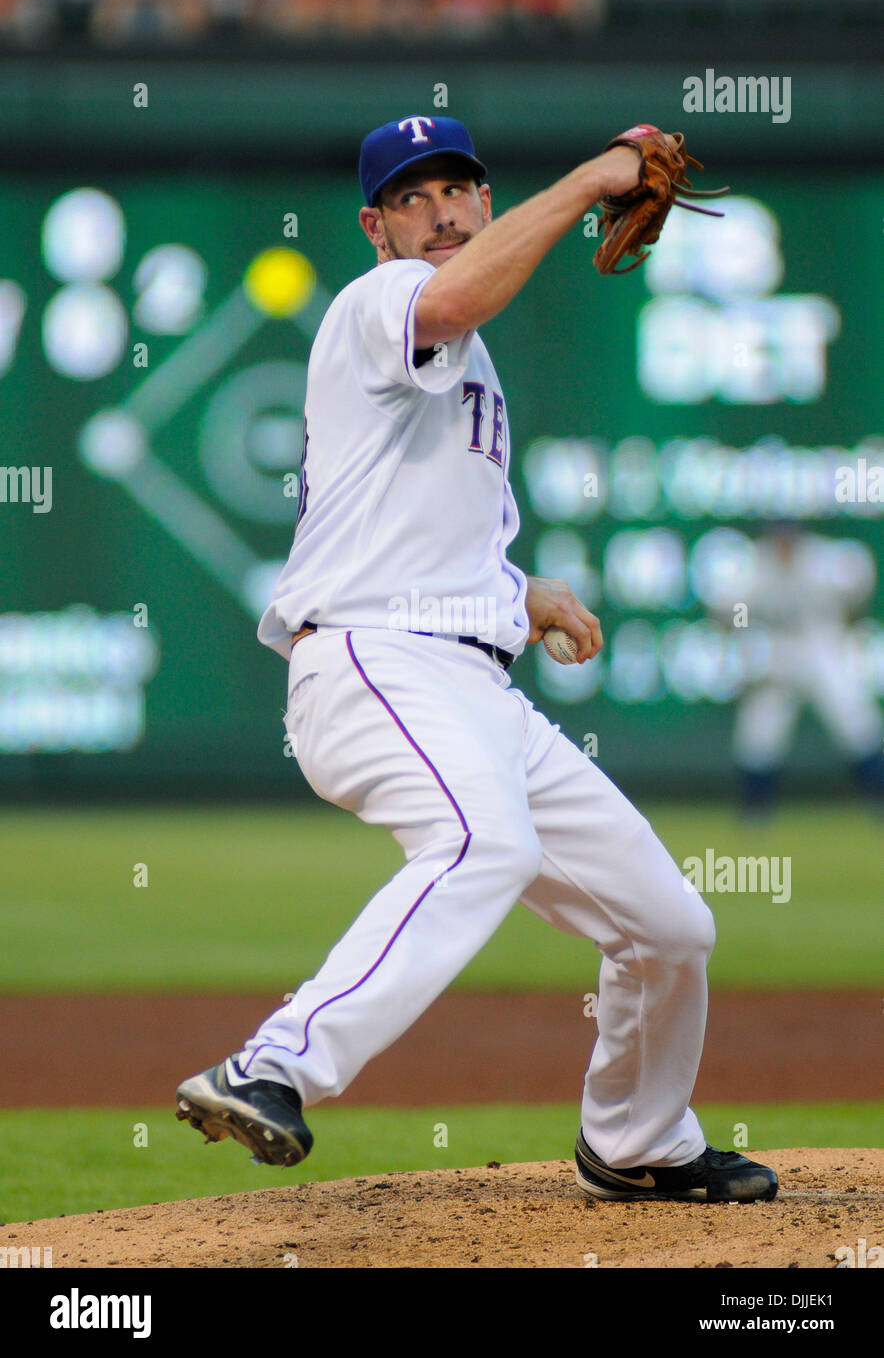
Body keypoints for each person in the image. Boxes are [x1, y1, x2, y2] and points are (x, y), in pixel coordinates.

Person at [176, 115, 778, 1204]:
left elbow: (418, 527)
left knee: (668, 926)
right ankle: (272, 1065)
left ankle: (637, 1141)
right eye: (413, 196)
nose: (441, 210)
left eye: (459, 187)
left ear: (484, 202)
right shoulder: (381, 302)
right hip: (371, 665)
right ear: (374, 226)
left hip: (467, 680)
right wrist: (593, 174)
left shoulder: (464, 360)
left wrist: (522, 593)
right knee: (480, 841)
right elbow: (457, 294)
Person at [731, 522, 883, 817]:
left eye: (789, 539)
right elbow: (735, 612)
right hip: (779, 652)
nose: (784, 545)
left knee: (856, 722)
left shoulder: (826, 561)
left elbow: (858, 596)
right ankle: (755, 811)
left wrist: (845, 625)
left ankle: (878, 798)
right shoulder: (756, 568)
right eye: (779, 539)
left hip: (821, 648)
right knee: (759, 733)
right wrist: (744, 635)